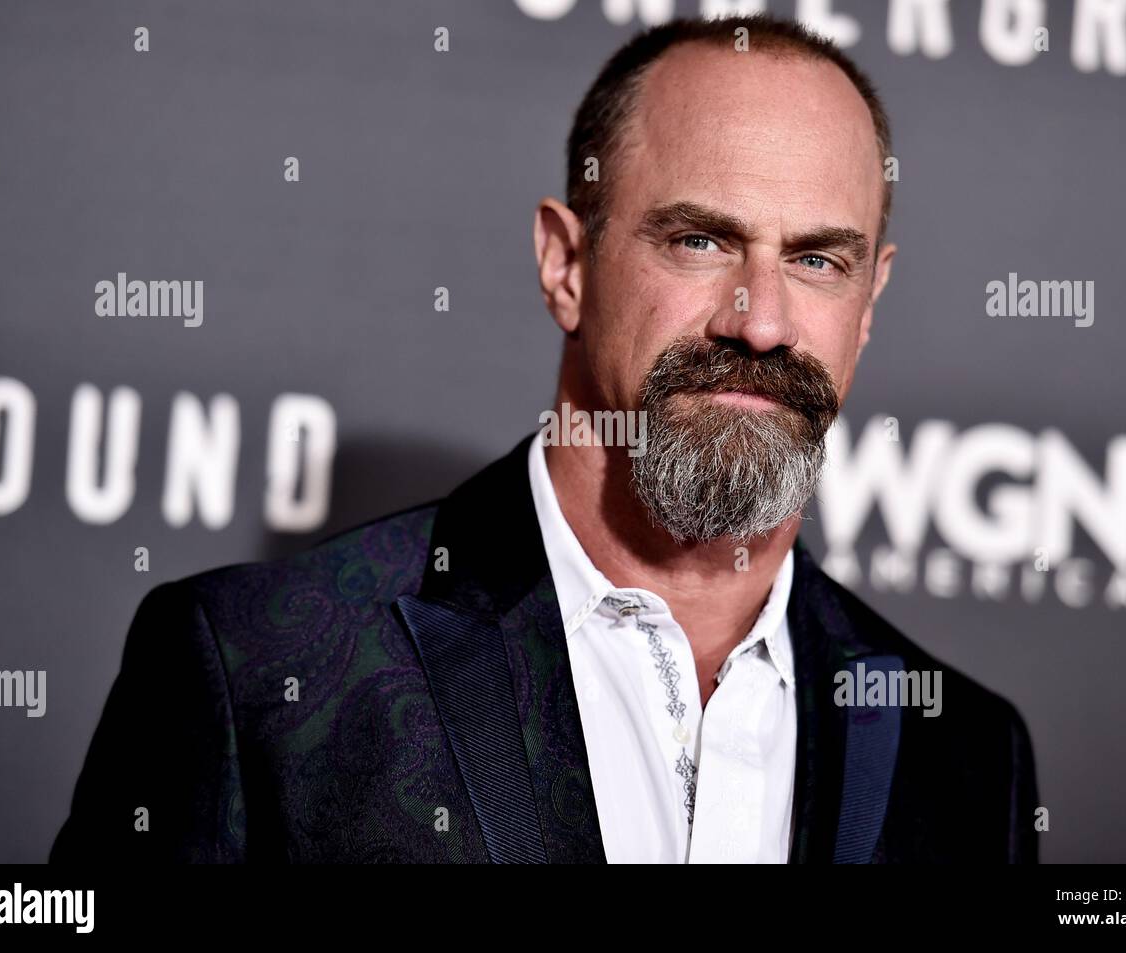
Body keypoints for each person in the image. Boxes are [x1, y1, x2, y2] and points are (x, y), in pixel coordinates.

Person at [51, 13, 1037, 864]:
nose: (763, 321)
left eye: (819, 259)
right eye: (699, 241)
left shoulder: (963, 746)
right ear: (566, 264)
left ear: (868, 305)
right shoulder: (255, 666)